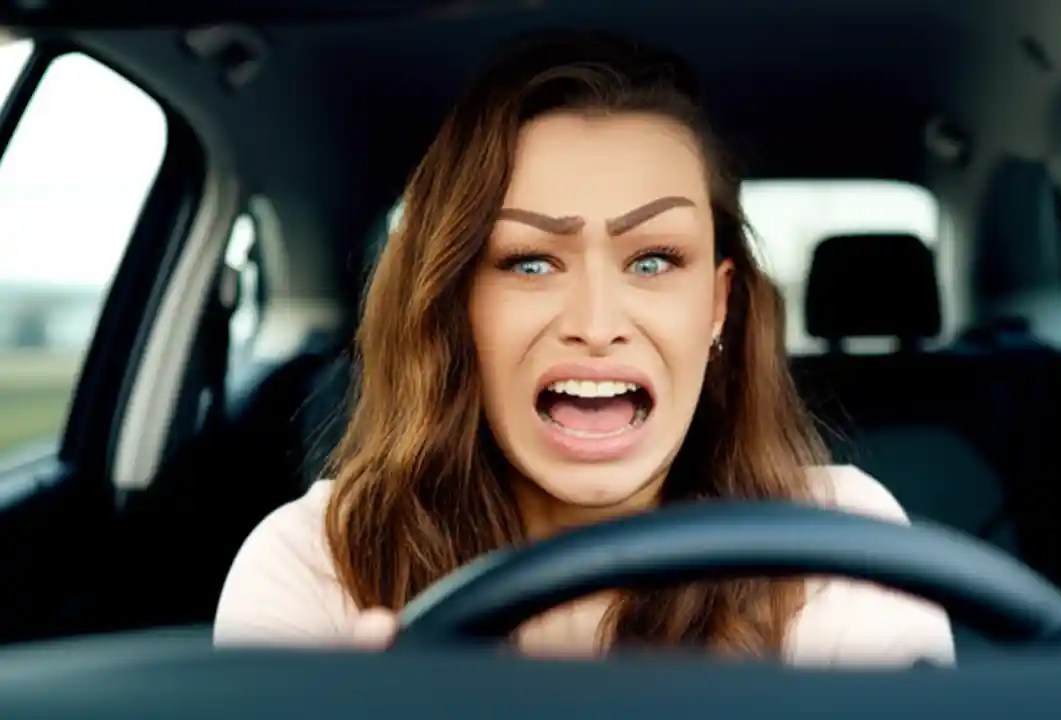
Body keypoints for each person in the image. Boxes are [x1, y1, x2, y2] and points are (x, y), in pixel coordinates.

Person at [212, 28, 955, 667]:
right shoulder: (314, 564)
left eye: (654, 259)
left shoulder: (842, 544)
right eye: (530, 262)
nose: (597, 324)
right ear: (457, 309)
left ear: (718, 306)